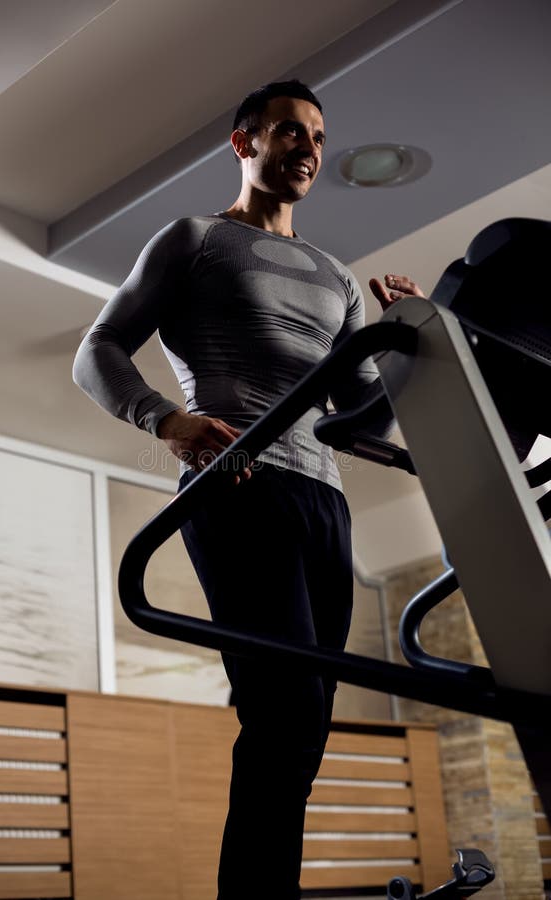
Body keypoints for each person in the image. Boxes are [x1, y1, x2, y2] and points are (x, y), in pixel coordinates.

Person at [73, 80, 423, 900]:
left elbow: (362, 415)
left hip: (323, 502)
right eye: (290, 131)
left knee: (305, 724)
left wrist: (404, 341)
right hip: (237, 484)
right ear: (245, 142)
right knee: (282, 711)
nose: (308, 149)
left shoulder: (338, 277)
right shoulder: (195, 240)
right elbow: (98, 349)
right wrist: (167, 419)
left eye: (318, 137)